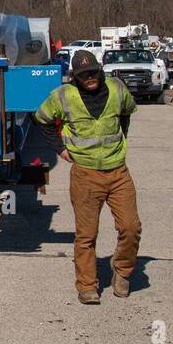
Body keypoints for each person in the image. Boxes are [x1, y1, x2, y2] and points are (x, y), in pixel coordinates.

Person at [33, 49, 141, 303]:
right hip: (85, 174)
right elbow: (41, 118)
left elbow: (126, 114)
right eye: (83, 75)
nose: (89, 78)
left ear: (99, 70)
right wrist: (60, 149)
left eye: (92, 72)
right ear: (75, 76)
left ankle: (122, 270)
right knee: (87, 234)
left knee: (130, 226)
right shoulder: (63, 96)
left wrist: (121, 141)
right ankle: (87, 285)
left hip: (118, 172)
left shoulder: (117, 89)